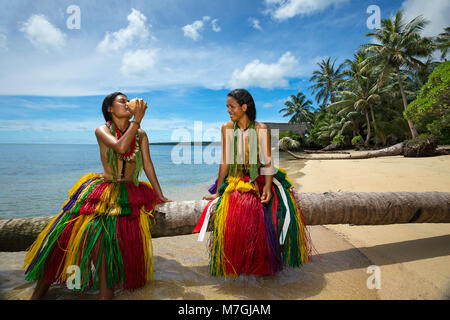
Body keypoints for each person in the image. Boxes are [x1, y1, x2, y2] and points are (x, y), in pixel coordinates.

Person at [23, 92, 171, 299]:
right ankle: (41, 293)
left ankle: (106, 290)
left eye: (128, 100)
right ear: (110, 109)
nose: (127, 103)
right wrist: (137, 119)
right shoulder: (102, 130)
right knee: (66, 236)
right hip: (103, 189)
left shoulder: (141, 134)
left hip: (129, 190)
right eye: (122, 101)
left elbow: (147, 164)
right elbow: (120, 147)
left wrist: (159, 193)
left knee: (109, 243)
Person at [194, 89, 314, 277]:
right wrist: (218, 191)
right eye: (227, 107)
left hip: (258, 176)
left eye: (231, 106)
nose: (228, 110)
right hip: (236, 177)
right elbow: (225, 160)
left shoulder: (261, 129)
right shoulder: (226, 128)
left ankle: (262, 261)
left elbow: (267, 161)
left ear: (244, 107)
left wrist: (267, 186)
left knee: (269, 211)